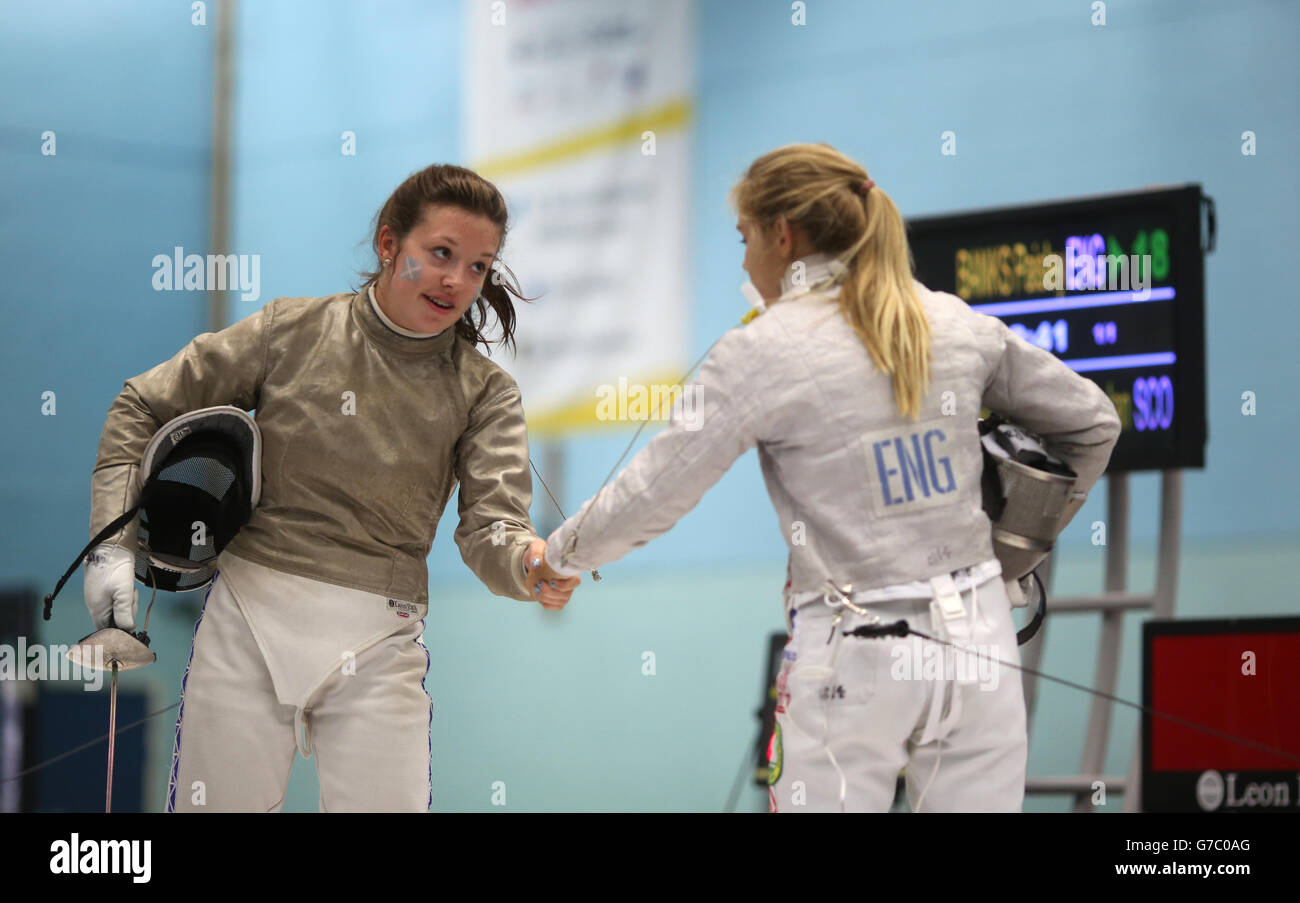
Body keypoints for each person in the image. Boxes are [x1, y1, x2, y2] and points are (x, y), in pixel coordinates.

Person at [543, 143, 1121, 812]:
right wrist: (1009, 553)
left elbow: (651, 493)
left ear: (781, 235)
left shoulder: (760, 350)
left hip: (854, 652)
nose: (743, 261)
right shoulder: (953, 320)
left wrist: (558, 554)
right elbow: (1093, 424)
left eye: (745, 238)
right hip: (981, 642)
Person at [83, 164, 579, 812]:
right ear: (388, 244)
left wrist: (529, 562)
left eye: (479, 266)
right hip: (247, 622)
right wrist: (111, 549)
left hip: (380, 639)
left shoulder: (484, 390)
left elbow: (493, 526)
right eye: (441, 254)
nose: (458, 280)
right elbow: (139, 404)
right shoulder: (290, 331)